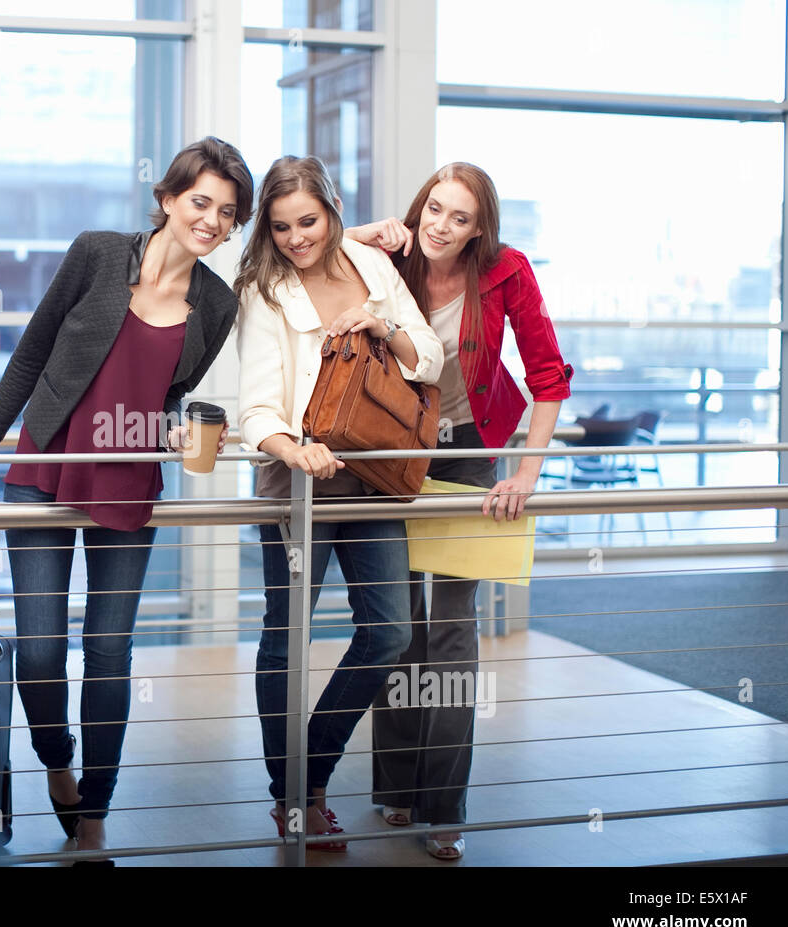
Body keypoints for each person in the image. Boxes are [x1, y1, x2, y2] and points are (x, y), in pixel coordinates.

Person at [0, 137, 254, 860]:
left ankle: (96, 809)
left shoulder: (217, 303)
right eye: (199, 202)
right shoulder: (95, 252)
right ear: (167, 199)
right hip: (45, 469)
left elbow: (172, 395)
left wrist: (177, 432)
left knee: (110, 650)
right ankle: (57, 762)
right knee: (43, 647)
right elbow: (32, 350)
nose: (211, 221)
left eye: (227, 213)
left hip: (128, 480)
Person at [347, 162, 573, 860]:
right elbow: (303, 250)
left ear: (481, 229)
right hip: (395, 450)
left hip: (470, 453)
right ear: (418, 209)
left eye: (459, 218)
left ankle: (443, 808)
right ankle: (395, 788)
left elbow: (548, 376)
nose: (441, 227)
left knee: (448, 631)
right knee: (395, 625)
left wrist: (526, 471)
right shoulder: (392, 256)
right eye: (433, 211)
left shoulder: (506, 272)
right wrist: (364, 230)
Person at [236, 156, 444, 851]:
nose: (297, 237)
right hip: (297, 480)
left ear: (331, 210)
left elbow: (430, 358)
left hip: (373, 471)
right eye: (283, 225)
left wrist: (379, 323)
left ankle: (311, 773)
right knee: (287, 636)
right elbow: (257, 404)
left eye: (310, 221)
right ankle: (292, 798)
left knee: (388, 630)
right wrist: (293, 450)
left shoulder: (369, 262)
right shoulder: (264, 288)